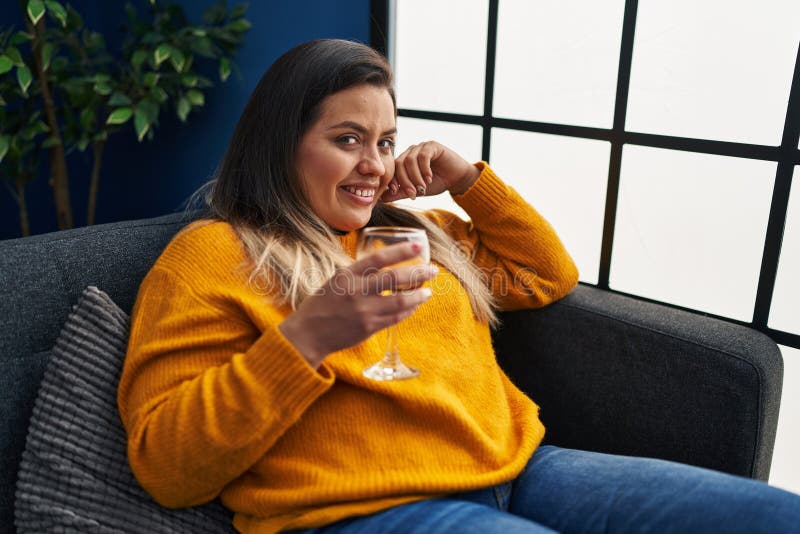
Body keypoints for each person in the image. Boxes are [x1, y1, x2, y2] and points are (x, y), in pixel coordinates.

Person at [118, 39, 800, 533]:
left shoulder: (423, 232)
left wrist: (467, 179)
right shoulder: (210, 254)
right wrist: (309, 338)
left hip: (525, 471)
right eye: (349, 139)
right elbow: (168, 467)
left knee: (774, 517)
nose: (375, 165)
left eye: (386, 141)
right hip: (363, 509)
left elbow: (547, 275)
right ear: (279, 145)